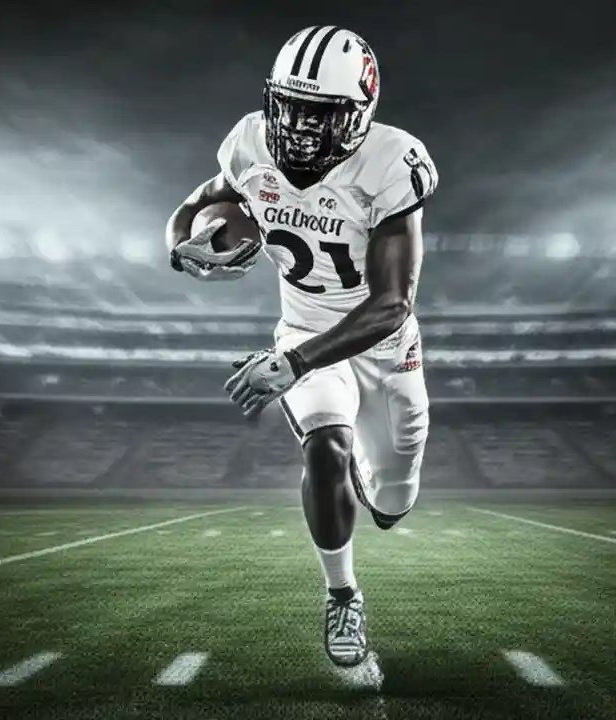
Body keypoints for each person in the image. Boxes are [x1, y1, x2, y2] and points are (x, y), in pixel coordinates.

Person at [164, 25, 437, 667]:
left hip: (383, 346)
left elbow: (393, 304)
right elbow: (195, 206)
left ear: (359, 115)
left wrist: (290, 365)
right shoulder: (250, 143)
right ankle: (343, 594)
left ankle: (377, 489)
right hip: (305, 333)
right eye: (290, 107)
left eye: (321, 114)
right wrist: (184, 249)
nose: (300, 128)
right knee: (326, 450)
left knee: (394, 503)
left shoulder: (391, 163)